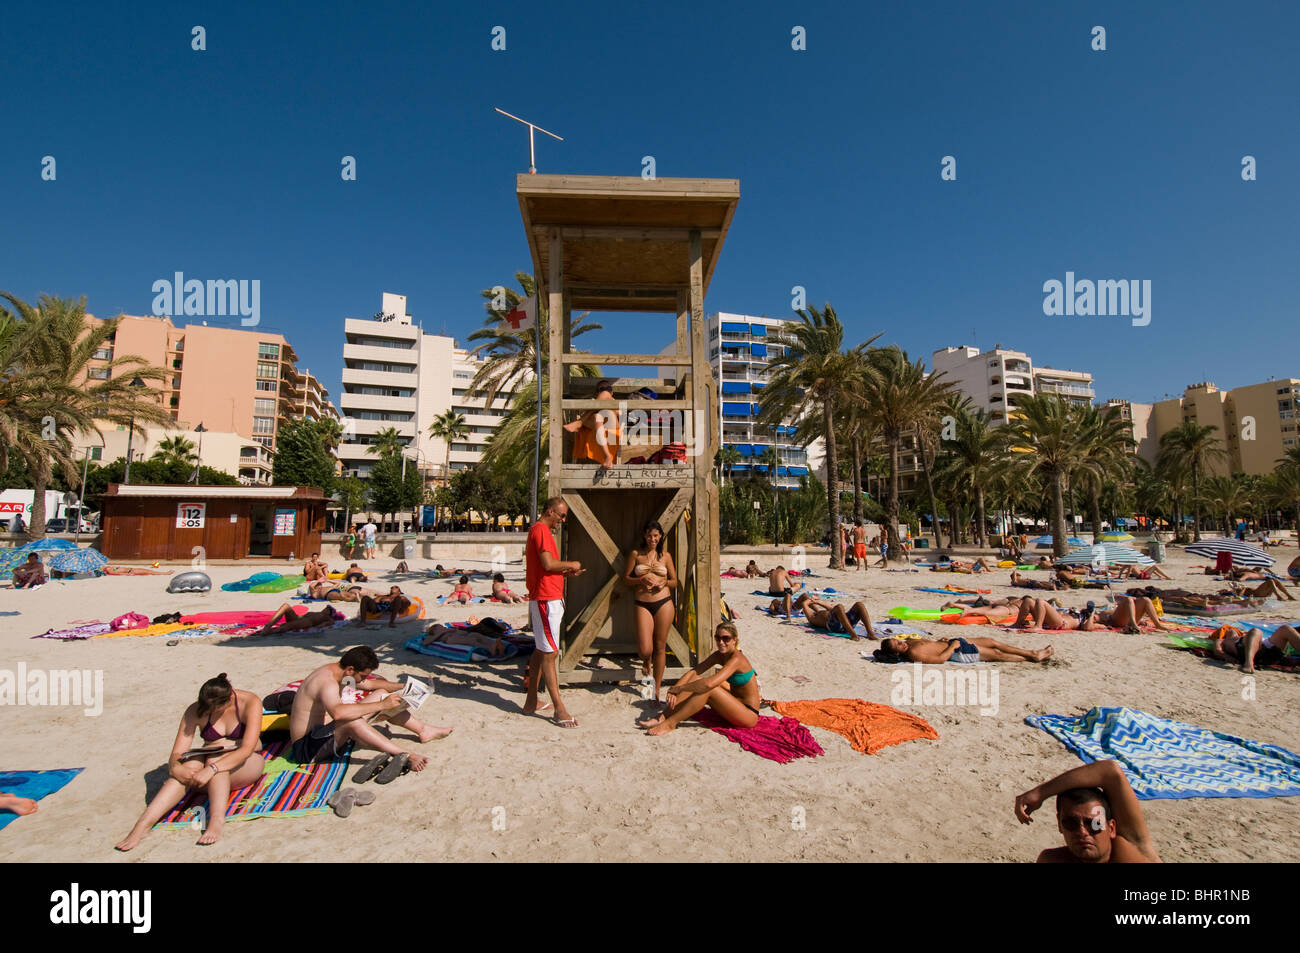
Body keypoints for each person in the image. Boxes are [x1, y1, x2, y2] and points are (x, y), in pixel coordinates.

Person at [115, 674, 265, 850]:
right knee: (189, 766)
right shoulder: (196, 710)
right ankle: (142, 826)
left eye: (214, 709)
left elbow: (246, 749)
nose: (210, 712)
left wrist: (212, 769)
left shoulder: (249, 702)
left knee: (215, 761)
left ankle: (216, 820)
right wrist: (175, 768)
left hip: (245, 761)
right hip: (209, 761)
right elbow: (177, 753)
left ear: (229, 698)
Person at [285, 645, 450, 773]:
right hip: (307, 748)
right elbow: (338, 713)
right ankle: (405, 754)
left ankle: (423, 730)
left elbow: (369, 685)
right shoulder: (326, 681)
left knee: (381, 694)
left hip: (325, 733)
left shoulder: (341, 671)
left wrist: (406, 687)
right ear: (350, 669)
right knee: (352, 720)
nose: (364, 680)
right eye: (362, 675)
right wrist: (382, 706)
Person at [1015, 760, 1159, 863]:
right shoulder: (1053, 860)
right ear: (1059, 825)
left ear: (1112, 828)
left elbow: (1110, 772)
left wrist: (1041, 793)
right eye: (1071, 823)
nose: (1082, 832)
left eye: (1095, 824)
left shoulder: (1133, 848)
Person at [522, 497, 585, 728]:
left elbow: (545, 568)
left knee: (541, 651)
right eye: (561, 515)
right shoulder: (541, 530)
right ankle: (559, 708)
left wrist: (565, 573)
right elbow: (548, 564)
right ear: (550, 512)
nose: (563, 520)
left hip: (547, 597)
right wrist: (571, 564)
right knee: (550, 654)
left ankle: (530, 702)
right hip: (546, 600)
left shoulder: (539, 531)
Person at [637, 622, 760, 736]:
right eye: (717, 638)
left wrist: (680, 688)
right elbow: (694, 672)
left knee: (708, 688)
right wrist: (674, 690)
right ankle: (663, 717)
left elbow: (709, 684)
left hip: (748, 715)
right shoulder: (719, 655)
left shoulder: (737, 659)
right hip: (734, 706)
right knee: (696, 679)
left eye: (726, 638)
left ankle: (670, 724)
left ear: (735, 640)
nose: (721, 642)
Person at [623, 519, 678, 703]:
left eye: (655, 535)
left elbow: (675, 581)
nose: (652, 539)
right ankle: (646, 661)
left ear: (660, 536)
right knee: (646, 649)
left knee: (660, 646)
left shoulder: (666, 556)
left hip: (664, 602)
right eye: (649, 535)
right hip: (642, 602)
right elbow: (626, 579)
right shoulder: (636, 555)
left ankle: (656, 689)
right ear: (644, 536)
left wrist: (664, 582)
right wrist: (640, 580)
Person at [874, 635, 1053, 664]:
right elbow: (940, 659)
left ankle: (1031, 652)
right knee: (996, 655)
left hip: (953, 643)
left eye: (898, 640)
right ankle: (1031, 657)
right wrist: (952, 646)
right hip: (958, 652)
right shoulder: (913, 654)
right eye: (898, 645)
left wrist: (941, 641)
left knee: (992, 641)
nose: (900, 642)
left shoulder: (909, 643)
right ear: (897, 652)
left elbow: (931, 645)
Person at [564, 379, 620, 467]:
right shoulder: (592, 404)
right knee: (597, 416)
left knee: (600, 410)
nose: (605, 390)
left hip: (612, 430)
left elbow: (618, 414)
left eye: (608, 388)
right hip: (598, 429)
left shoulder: (615, 401)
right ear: (597, 392)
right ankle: (607, 455)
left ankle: (579, 423)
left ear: (612, 392)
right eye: (602, 389)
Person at [1207, 623, 1300, 673]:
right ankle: (1249, 663)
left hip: (1269, 651)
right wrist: (1228, 657)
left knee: (1285, 628)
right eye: (1226, 630)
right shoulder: (1223, 641)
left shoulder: (1244, 637)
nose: (1231, 629)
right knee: (1256, 631)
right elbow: (1217, 650)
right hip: (1251, 653)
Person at [787, 592, 878, 640]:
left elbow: (831, 608)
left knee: (859, 604)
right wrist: (811, 600)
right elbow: (804, 604)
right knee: (839, 607)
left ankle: (870, 633)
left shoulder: (819, 612)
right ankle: (853, 635)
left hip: (845, 623)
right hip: (835, 627)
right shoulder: (812, 617)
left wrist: (818, 602)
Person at [250, 603, 343, 636]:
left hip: (307, 622)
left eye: (328, 608)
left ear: (330, 613)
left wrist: (322, 625)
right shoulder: (317, 613)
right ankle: (268, 625)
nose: (326, 608)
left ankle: (266, 632)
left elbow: (329, 623)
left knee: (286, 626)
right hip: (299, 619)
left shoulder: (327, 617)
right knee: (286, 606)